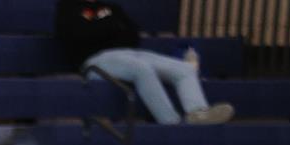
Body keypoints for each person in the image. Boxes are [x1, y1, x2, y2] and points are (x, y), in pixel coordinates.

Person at [55, 0, 233, 125]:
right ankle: (171, 122)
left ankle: (198, 112)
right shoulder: (67, 7)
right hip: (95, 61)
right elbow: (77, 36)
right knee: (142, 69)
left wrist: (103, 29)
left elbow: (132, 35)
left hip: (131, 53)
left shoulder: (112, 7)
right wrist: (111, 27)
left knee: (184, 69)